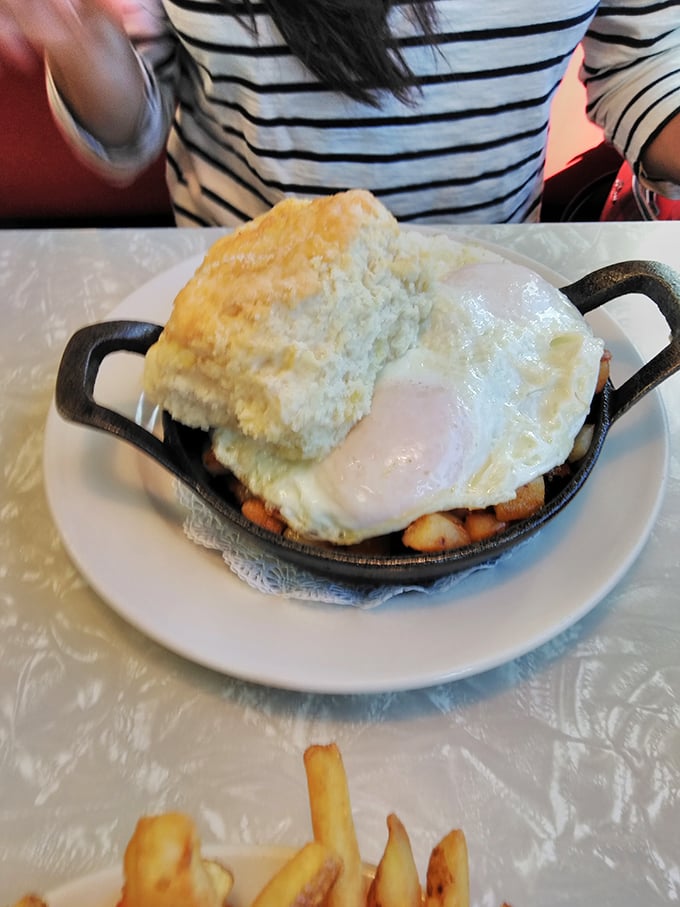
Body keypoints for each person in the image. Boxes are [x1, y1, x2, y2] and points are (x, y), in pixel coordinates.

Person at [1, 0, 679, 227]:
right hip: (239, 306)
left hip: (485, 291)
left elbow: (644, 67)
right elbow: (134, 126)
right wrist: (75, 34)